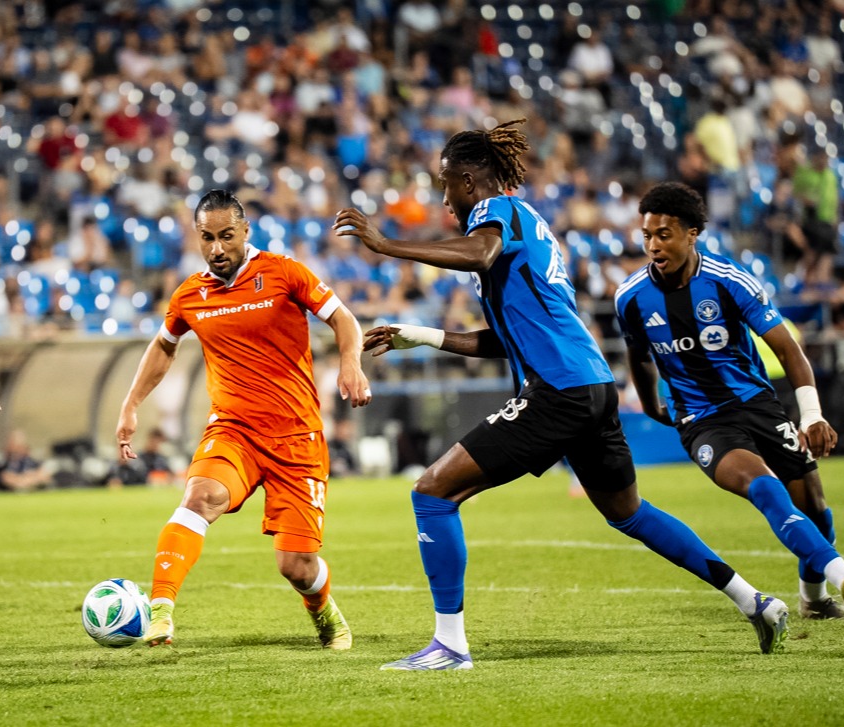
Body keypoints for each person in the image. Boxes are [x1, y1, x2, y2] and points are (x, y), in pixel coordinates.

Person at [336, 120, 790, 669]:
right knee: (629, 513)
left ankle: (450, 645)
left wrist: (387, 245)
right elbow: (510, 337)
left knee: (432, 492)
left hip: (559, 390)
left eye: (446, 183)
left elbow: (480, 254)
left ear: (469, 179)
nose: (444, 196)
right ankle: (754, 600)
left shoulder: (494, 214)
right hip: (590, 384)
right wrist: (424, 335)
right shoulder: (533, 230)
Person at [614, 182, 844, 621]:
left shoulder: (729, 281)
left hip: (757, 405)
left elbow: (789, 351)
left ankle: (814, 601)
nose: (653, 245)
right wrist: (651, 407)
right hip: (702, 420)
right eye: (646, 235)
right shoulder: (630, 297)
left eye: (664, 234)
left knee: (816, 509)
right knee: (765, 488)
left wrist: (812, 414)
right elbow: (639, 359)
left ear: (692, 233)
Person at [116, 189, 371, 649]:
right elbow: (163, 346)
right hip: (234, 431)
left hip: (297, 436)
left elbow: (344, 319)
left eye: (226, 236)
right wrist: (131, 404)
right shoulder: (190, 295)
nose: (217, 248)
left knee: (296, 565)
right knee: (200, 497)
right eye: (207, 238)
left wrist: (351, 362)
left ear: (245, 231)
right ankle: (160, 610)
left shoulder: (284, 272)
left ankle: (324, 611)